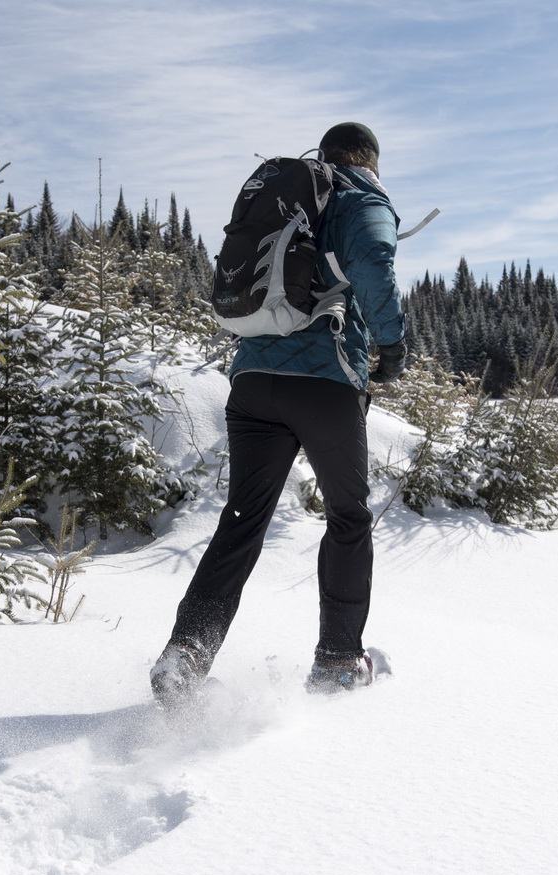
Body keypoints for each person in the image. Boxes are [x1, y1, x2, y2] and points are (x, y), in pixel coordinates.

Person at [151, 121, 407, 703]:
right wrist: (391, 345)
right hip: (322, 383)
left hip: (252, 380)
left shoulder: (288, 194)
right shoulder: (359, 195)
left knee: (242, 519)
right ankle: (339, 661)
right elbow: (372, 263)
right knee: (347, 517)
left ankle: (184, 659)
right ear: (370, 160)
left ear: (325, 153)